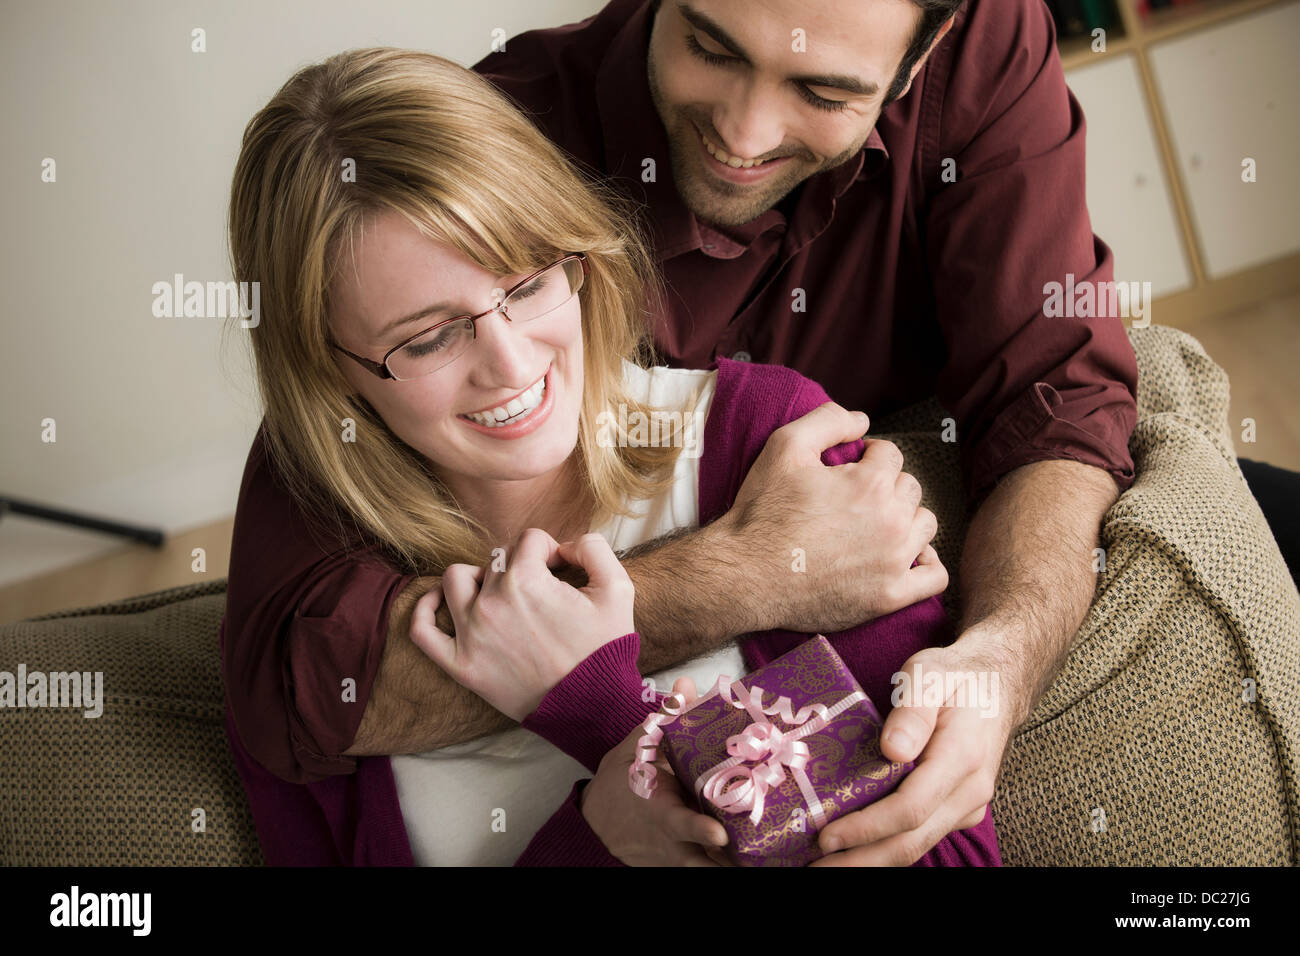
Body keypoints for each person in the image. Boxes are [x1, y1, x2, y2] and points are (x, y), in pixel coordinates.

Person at [219, 46, 1000, 866]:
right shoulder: (315, 637)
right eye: (429, 337)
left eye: (526, 287)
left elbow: (947, 855)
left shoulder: (771, 453)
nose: (513, 365)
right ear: (329, 371)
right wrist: (594, 829)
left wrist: (610, 728)